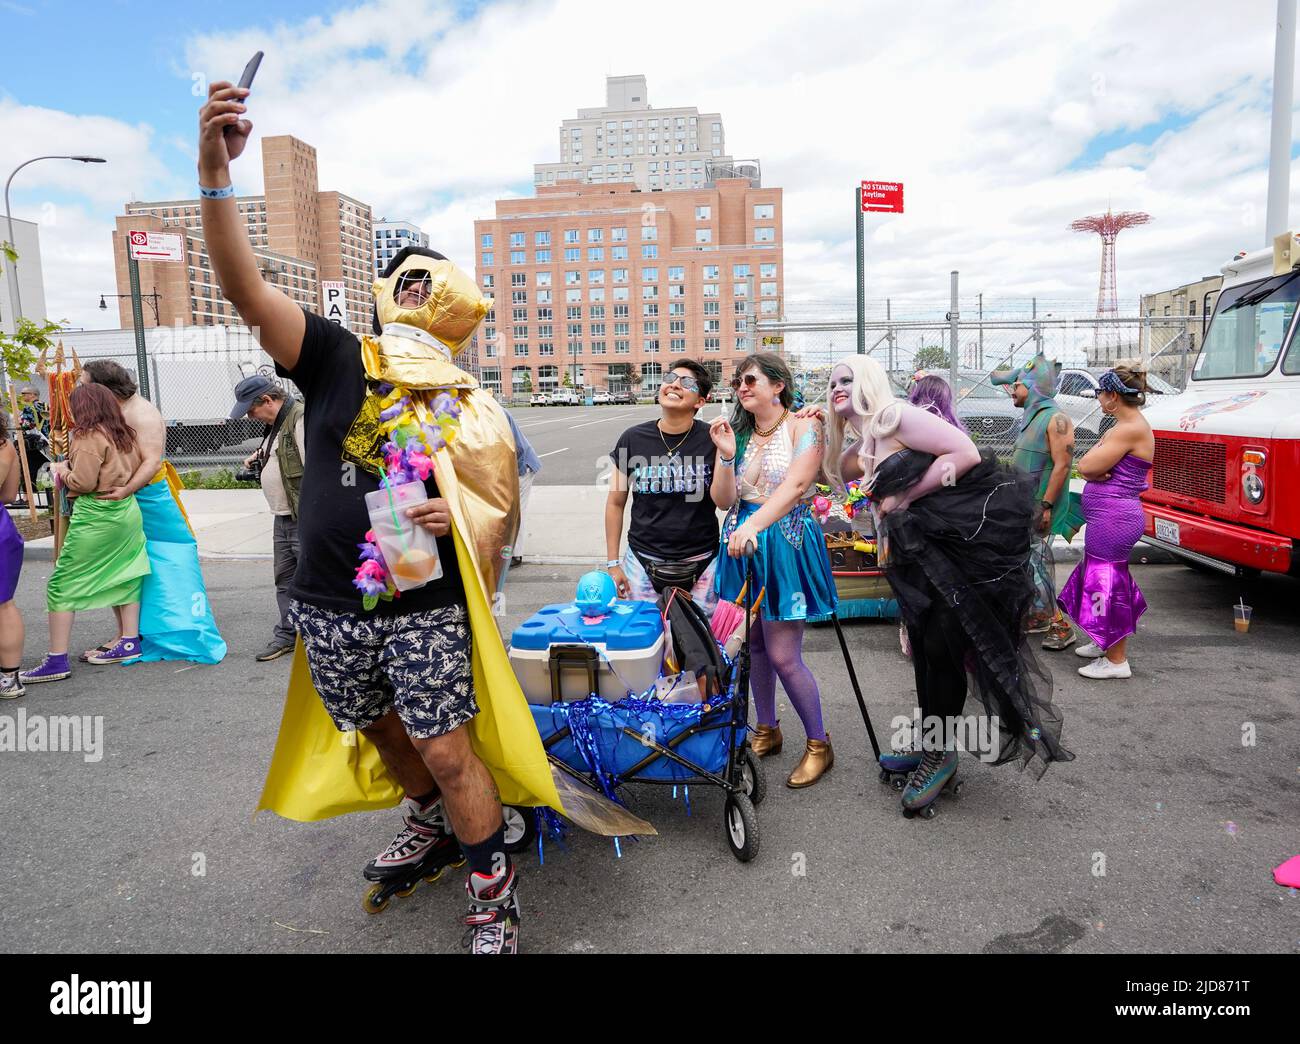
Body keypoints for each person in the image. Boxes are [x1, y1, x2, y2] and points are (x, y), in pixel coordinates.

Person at [199, 79, 562, 954]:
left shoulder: (461, 397)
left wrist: (457, 509)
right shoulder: (332, 357)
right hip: (328, 602)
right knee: (386, 736)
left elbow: (497, 501)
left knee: (446, 746)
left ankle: (493, 898)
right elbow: (246, 291)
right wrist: (214, 177)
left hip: (425, 603)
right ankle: (434, 822)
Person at [825, 355, 1073, 815]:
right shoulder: (866, 440)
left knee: (941, 651)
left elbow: (967, 453)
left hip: (953, 554)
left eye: (847, 379)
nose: (837, 386)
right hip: (913, 558)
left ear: (869, 382)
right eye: (831, 382)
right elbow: (838, 475)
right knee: (924, 650)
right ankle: (930, 743)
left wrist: (904, 495)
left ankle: (940, 755)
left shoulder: (895, 416)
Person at [709, 352, 838, 788]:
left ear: (778, 384)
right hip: (744, 545)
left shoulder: (807, 425)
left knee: (784, 654)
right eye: (738, 383)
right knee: (756, 649)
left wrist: (752, 526)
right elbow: (723, 500)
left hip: (785, 543)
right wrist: (726, 456)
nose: (742, 388)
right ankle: (767, 729)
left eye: (750, 380)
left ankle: (820, 744)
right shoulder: (739, 434)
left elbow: (798, 485)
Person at [80, 360, 226, 665]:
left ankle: (146, 634)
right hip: (126, 496)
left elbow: (151, 462)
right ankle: (125, 634)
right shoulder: (113, 409)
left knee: (164, 562)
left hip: (148, 499)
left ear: (106, 387)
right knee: (122, 566)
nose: (83, 389)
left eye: (86, 384)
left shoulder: (141, 412)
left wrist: (125, 490)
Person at [20, 384, 152, 684]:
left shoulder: (87, 435)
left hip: (96, 513)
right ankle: (129, 641)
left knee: (62, 583)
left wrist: (59, 470)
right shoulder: (124, 432)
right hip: (126, 509)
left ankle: (56, 660)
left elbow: (83, 481)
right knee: (126, 572)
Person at [1057, 365, 1154, 680]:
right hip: (1109, 515)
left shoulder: (1128, 428)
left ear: (1113, 396)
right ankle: (1104, 642)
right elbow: (1091, 466)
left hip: (1116, 517)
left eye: (1100, 392)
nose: (1098, 398)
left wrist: (1094, 468)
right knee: (1099, 578)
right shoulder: (1120, 426)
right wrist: (1096, 469)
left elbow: (1085, 465)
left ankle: (1116, 661)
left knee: (1108, 583)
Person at [606, 360, 723, 610]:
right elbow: (615, 504)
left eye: (687, 382)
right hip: (642, 561)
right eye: (670, 377)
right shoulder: (632, 438)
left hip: (703, 562)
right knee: (643, 639)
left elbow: (724, 502)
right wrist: (613, 563)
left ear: (700, 401)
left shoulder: (712, 439)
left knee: (700, 643)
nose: (675, 384)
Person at [990, 354, 1083, 651]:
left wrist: (1045, 506)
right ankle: (1039, 615)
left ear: (1031, 387)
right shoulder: (1033, 416)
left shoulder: (1056, 418)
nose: (1012, 391)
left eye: (1016, 385)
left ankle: (1060, 624)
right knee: (1028, 562)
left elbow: (1062, 466)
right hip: (1022, 504)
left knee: (1036, 562)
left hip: (1039, 506)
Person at [232, 375, 305, 661]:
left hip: (302, 516)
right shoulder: (276, 423)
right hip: (283, 516)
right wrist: (259, 455)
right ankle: (288, 634)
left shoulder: (298, 418)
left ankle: (314, 636)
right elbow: (281, 450)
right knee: (284, 579)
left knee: (309, 578)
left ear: (267, 400)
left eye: (252, 410)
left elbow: (312, 466)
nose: (251, 417)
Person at [0, 410, 25, 698]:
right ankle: (9, 679)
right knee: (4, 604)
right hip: (1, 531)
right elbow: (8, 495)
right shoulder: (6, 445)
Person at [15, 385, 50, 502]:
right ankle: (52, 499)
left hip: (33, 443)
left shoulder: (29, 408)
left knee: (28, 470)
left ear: (33, 395)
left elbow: (26, 425)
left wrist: (19, 422)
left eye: (24, 393)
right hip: (46, 442)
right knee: (49, 469)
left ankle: (26, 498)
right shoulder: (46, 406)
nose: (22, 396)